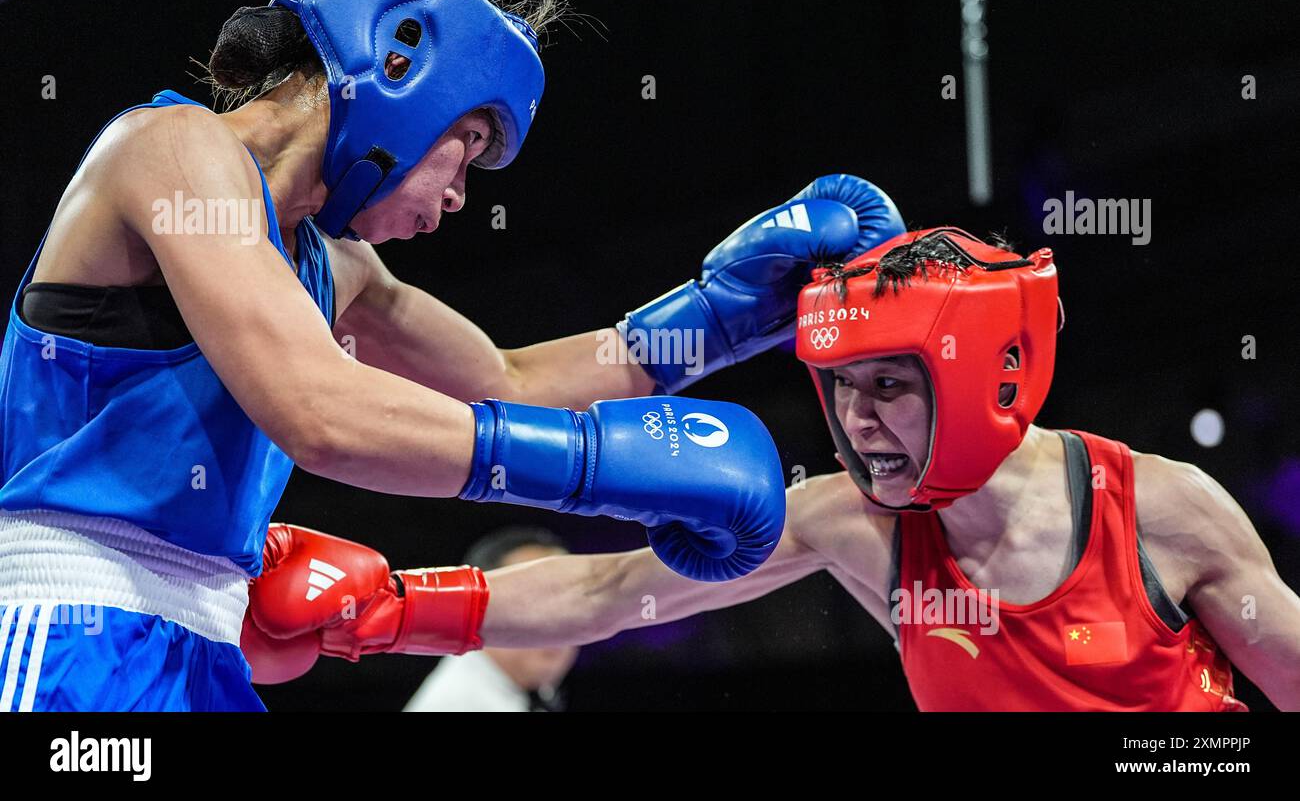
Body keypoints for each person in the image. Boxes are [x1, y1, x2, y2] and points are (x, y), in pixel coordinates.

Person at [0, 0, 905, 710]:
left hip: (202, 651)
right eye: (466, 147)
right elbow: (318, 411)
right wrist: (602, 469)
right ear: (399, 67)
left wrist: (721, 317)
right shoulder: (169, 149)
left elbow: (511, 380)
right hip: (69, 624)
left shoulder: (337, 265)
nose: (462, 194)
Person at [256, 229, 1300, 710]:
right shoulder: (855, 522)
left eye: (887, 386)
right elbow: (612, 594)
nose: (857, 420)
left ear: (991, 376)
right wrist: (391, 610)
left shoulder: (1164, 511)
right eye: (839, 388)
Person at [403, 527, 576, 712]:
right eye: (536, 598)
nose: (559, 619)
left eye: (571, 598)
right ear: (481, 607)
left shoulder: (530, 690)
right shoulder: (460, 704)